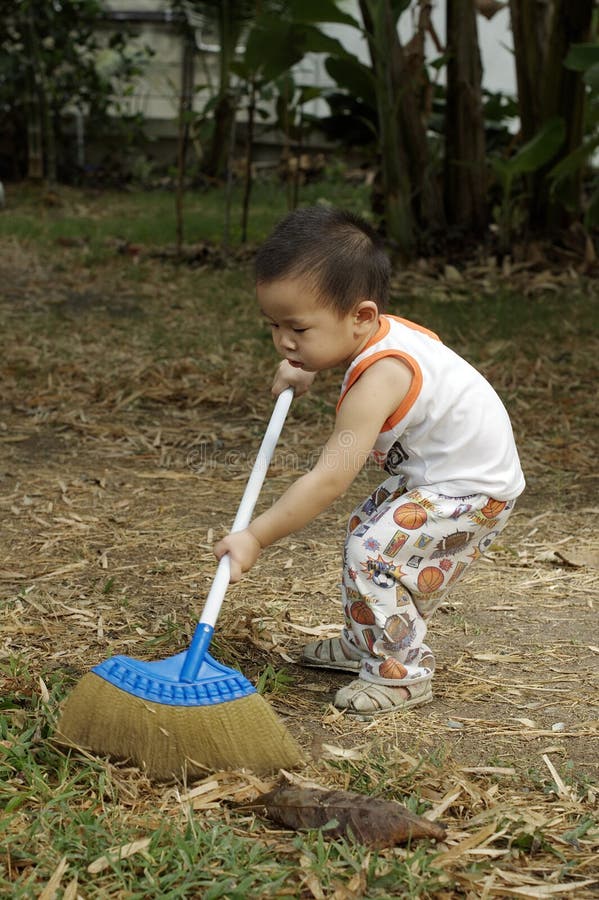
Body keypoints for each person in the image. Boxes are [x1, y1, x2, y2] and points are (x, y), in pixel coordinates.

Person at [214, 206, 525, 716]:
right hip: (441, 474)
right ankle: (367, 639)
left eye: (298, 329)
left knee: (375, 552)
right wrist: (306, 362)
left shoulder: (379, 378)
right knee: (367, 525)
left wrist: (255, 536)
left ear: (360, 316)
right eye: (273, 325)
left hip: (471, 490)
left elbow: (329, 478)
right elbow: (357, 354)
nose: (282, 341)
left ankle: (401, 672)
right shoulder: (382, 330)